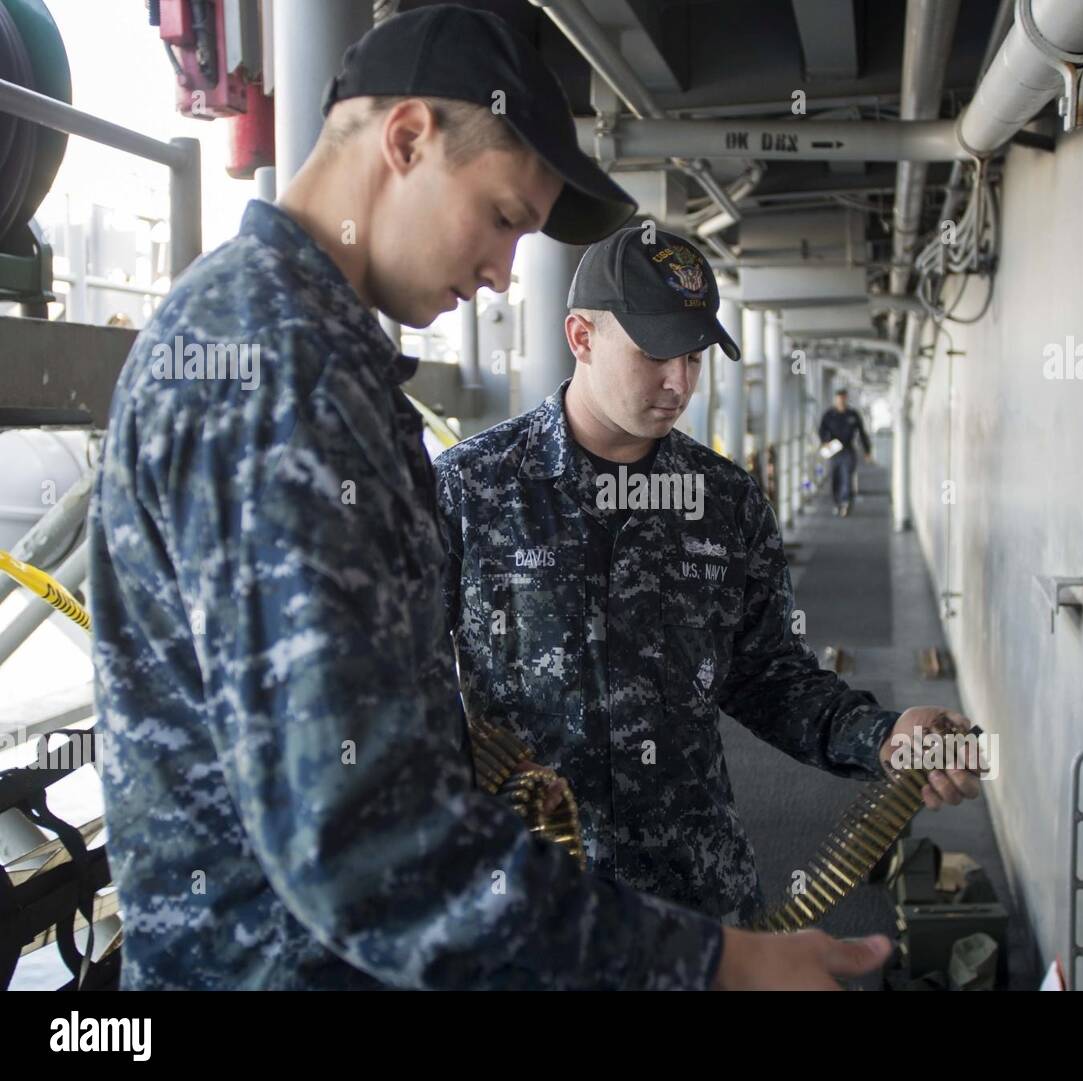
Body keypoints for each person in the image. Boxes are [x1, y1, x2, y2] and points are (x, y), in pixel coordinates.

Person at [87, 5, 886, 991]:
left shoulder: (306, 355)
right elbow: (361, 845)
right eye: (505, 218)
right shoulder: (278, 373)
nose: (508, 273)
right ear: (408, 139)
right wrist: (712, 965)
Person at [433, 225, 982, 928]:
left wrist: (883, 734)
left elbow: (767, 675)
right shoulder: (470, 489)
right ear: (581, 335)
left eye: (694, 357)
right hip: (526, 902)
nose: (679, 383)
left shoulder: (723, 499)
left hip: (694, 897)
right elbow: (399, 687)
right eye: (656, 354)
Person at [818, 388, 872, 516]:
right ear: (836, 399)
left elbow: (862, 433)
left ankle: (845, 503)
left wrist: (867, 451)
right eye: (839, 398)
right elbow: (821, 430)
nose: (841, 401)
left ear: (846, 399)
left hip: (848, 450)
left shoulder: (853, 415)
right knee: (835, 478)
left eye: (843, 398)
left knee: (847, 477)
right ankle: (837, 503)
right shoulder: (829, 414)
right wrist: (825, 441)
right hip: (834, 450)